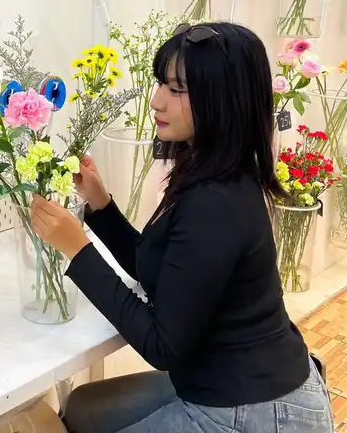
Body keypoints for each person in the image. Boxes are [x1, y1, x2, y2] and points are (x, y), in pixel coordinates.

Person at [30, 22, 334, 432]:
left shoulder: (216, 201)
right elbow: (162, 270)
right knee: (82, 408)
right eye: (161, 83)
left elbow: (162, 346)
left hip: (254, 410)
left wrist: (78, 250)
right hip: (223, 383)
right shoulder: (209, 170)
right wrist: (101, 208)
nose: (156, 101)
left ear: (223, 98)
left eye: (177, 90)